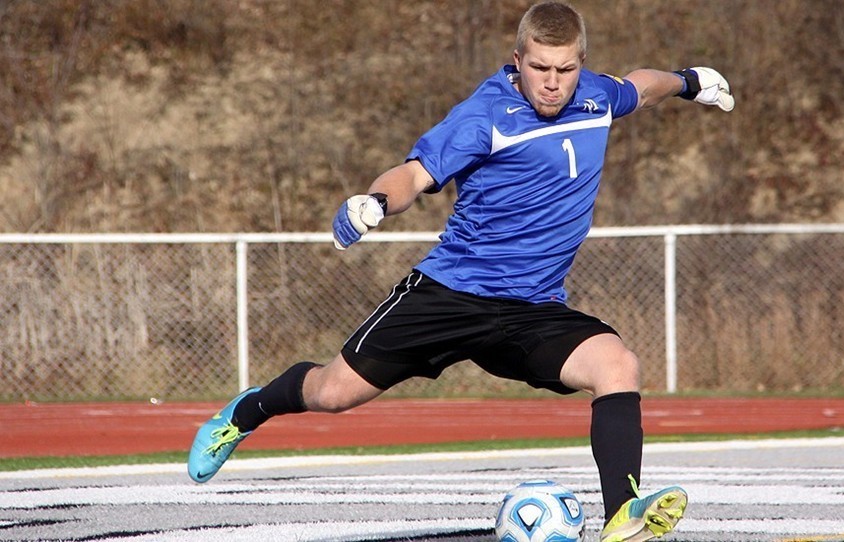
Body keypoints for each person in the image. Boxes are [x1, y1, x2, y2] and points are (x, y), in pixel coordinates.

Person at [188, 2, 733, 540]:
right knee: (333, 394)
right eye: (539, 68)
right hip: (450, 295)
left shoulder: (595, 96)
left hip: (532, 309)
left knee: (618, 365)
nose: (552, 83)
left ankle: (623, 512)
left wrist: (688, 81)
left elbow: (639, 85)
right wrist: (375, 202)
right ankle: (245, 411)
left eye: (565, 70)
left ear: (580, 64)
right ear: (517, 59)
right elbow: (415, 174)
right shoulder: (484, 117)